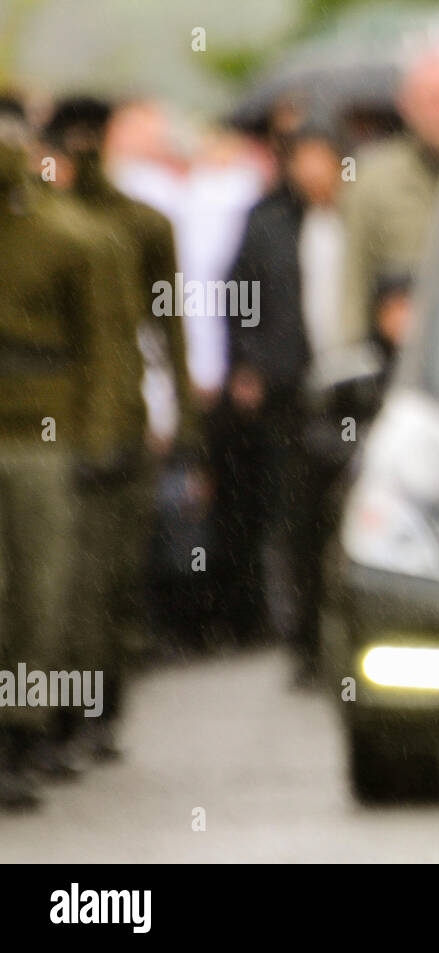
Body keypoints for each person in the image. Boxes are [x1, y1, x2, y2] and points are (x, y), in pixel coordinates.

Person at [42, 96, 200, 763]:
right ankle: (56, 716)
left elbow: (169, 327)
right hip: (56, 422)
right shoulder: (42, 225)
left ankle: (100, 708)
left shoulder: (142, 225)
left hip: (123, 419)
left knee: (111, 578)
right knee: (62, 578)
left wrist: (183, 420)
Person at [0, 96, 120, 806]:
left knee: (42, 597)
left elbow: (104, 347)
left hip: (44, 434)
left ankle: (23, 731)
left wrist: (99, 437)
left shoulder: (67, 236)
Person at [212, 116, 348, 683]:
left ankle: (342, 634)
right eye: (303, 159)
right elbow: (239, 292)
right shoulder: (267, 221)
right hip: (289, 389)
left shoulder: (353, 221)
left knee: (341, 513)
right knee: (291, 517)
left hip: (352, 387)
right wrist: (248, 361)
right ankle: (302, 640)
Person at [338, 48, 439, 351]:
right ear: (406, 107)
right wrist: (351, 351)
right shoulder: (375, 180)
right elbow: (354, 279)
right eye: (429, 102)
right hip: (406, 354)